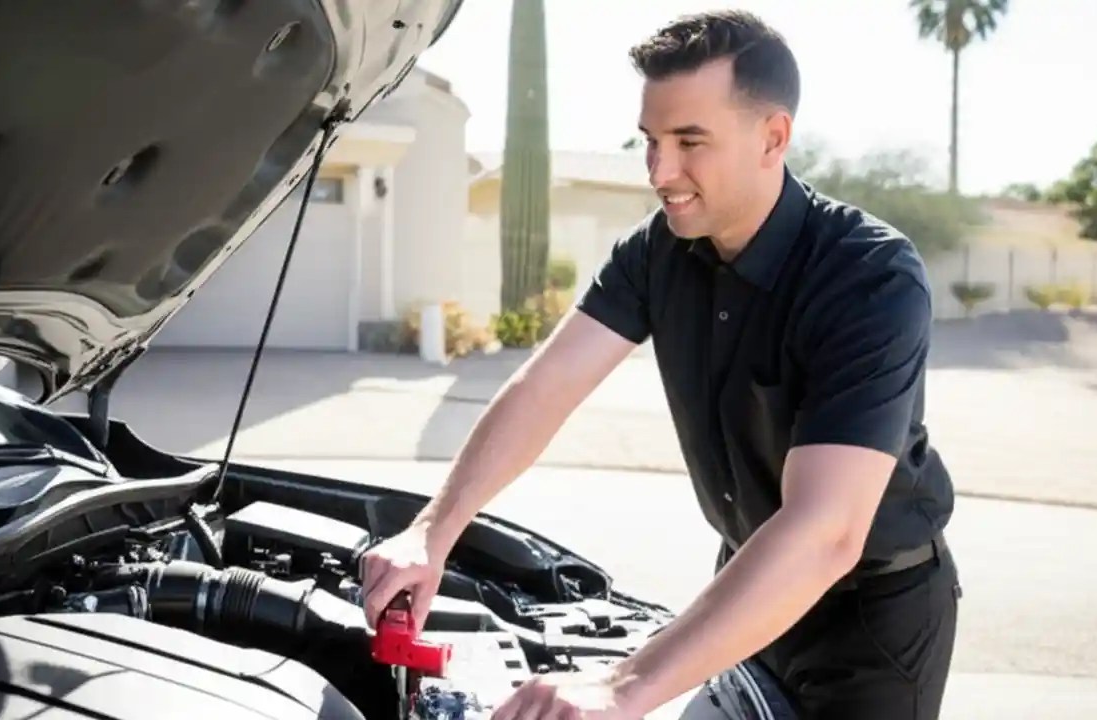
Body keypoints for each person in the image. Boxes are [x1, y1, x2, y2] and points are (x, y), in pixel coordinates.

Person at [359, 9, 960, 720]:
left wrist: (620, 688)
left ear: (773, 138)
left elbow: (826, 531)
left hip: (870, 626)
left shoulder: (869, 275)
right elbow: (545, 387)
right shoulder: (658, 250)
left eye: (689, 142)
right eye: (650, 140)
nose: (658, 171)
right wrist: (434, 529)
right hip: (743, 591)